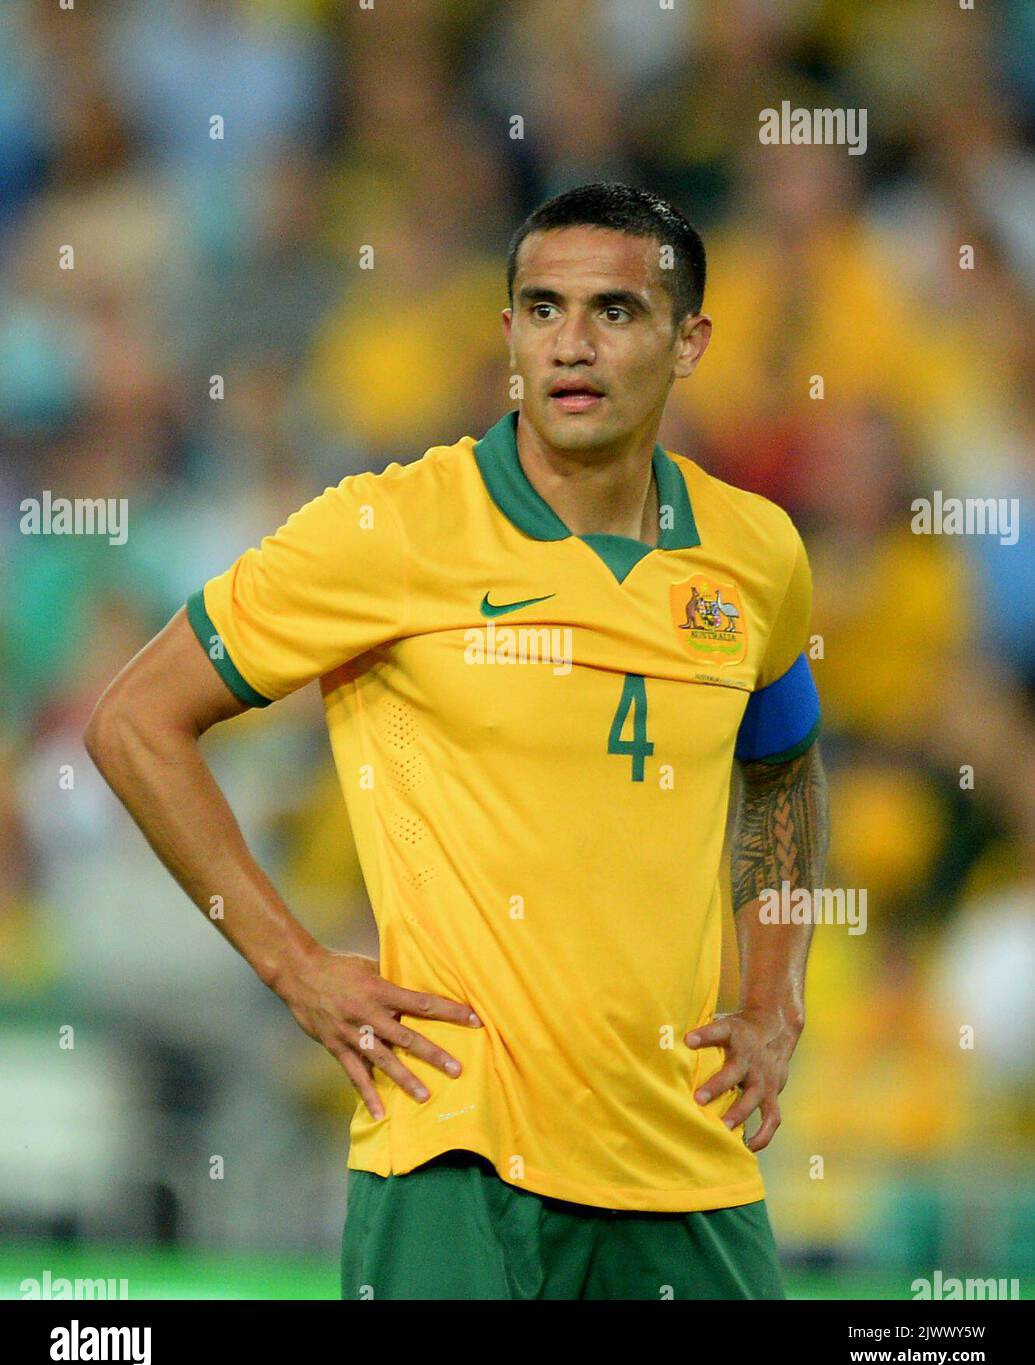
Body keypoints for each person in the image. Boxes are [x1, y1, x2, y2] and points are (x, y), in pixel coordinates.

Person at [85, 182, 830, 1300]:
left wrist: (774, 995)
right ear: (508, 334)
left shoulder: (756, 552)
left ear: (690, 342)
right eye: (542, 309)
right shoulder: (387, 529)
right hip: (456, 1159)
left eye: (616, 313)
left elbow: (783, 770)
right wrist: (295, 968)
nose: (571, 345)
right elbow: (135, 721)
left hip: (688, 1159)